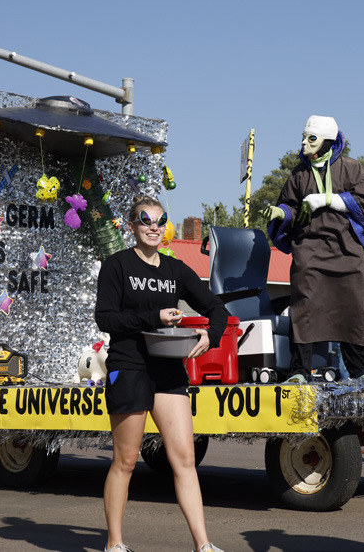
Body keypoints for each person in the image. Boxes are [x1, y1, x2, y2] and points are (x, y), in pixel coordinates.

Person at [95, 196, 228, 552]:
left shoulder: (175, 269)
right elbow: (105, 318)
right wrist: (153, 318)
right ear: (132, 226)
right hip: (129, 365)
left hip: (168, 369)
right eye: (145, 220)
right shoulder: (117, 265)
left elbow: (216, 307)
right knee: (125, 461)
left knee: (184, 459)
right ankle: (115, 544)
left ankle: (203, 545)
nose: (153, 227)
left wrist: (210, 335)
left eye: (159, 221)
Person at [264, 115, 364, 382]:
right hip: (309, 251)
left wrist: (329, 199)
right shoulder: (298, 173)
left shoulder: (352, 169)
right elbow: (291, 207)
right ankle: (299, 371)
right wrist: (281, 213)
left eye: (311, 138)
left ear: (327, 142)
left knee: (353, 308)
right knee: (305, 307)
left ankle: (358, 370)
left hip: (347, 252)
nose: (304, 143)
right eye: (303, 137)